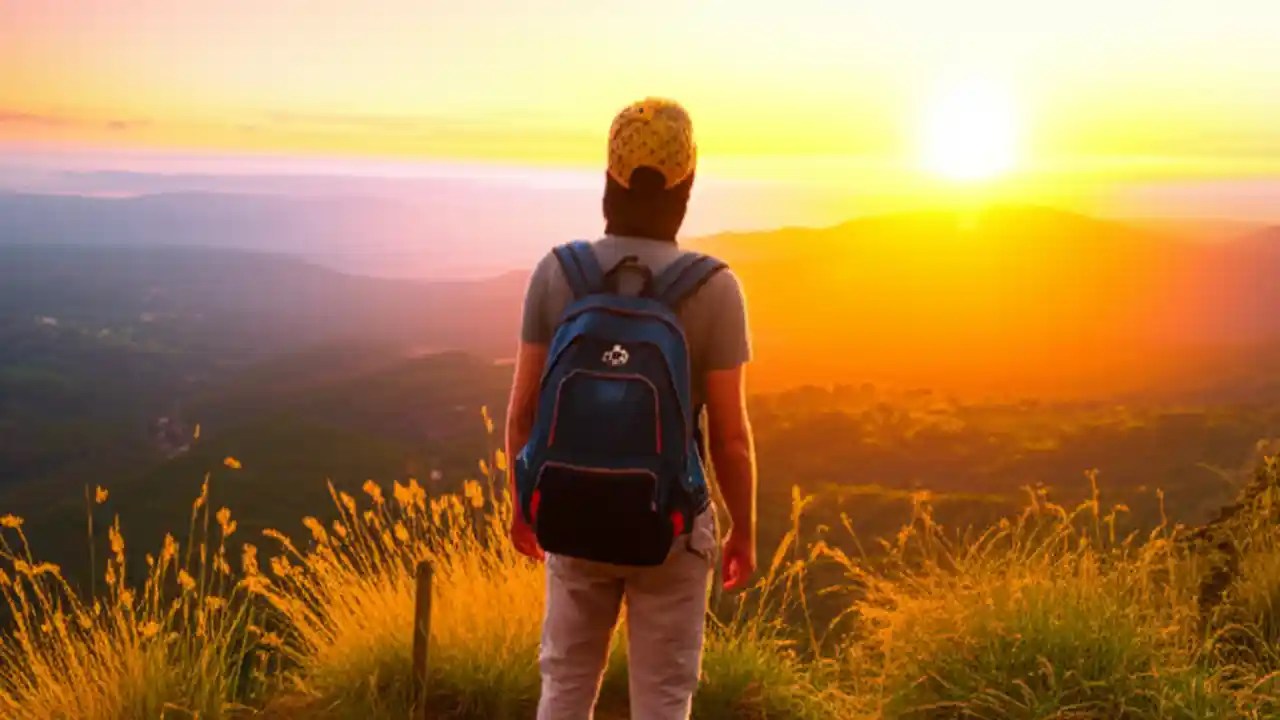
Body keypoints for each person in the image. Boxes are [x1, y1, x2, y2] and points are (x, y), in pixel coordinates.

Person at [504, 97, 759, 720]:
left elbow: (523, 415)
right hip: (670, 524)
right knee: (663, 702)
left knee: (564, 688)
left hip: (568, 510)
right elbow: (729, 439)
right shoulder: (715, 288)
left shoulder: (557, 274)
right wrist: (743, 532)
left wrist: (522, 506)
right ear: (687, 184)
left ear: (609, 178)